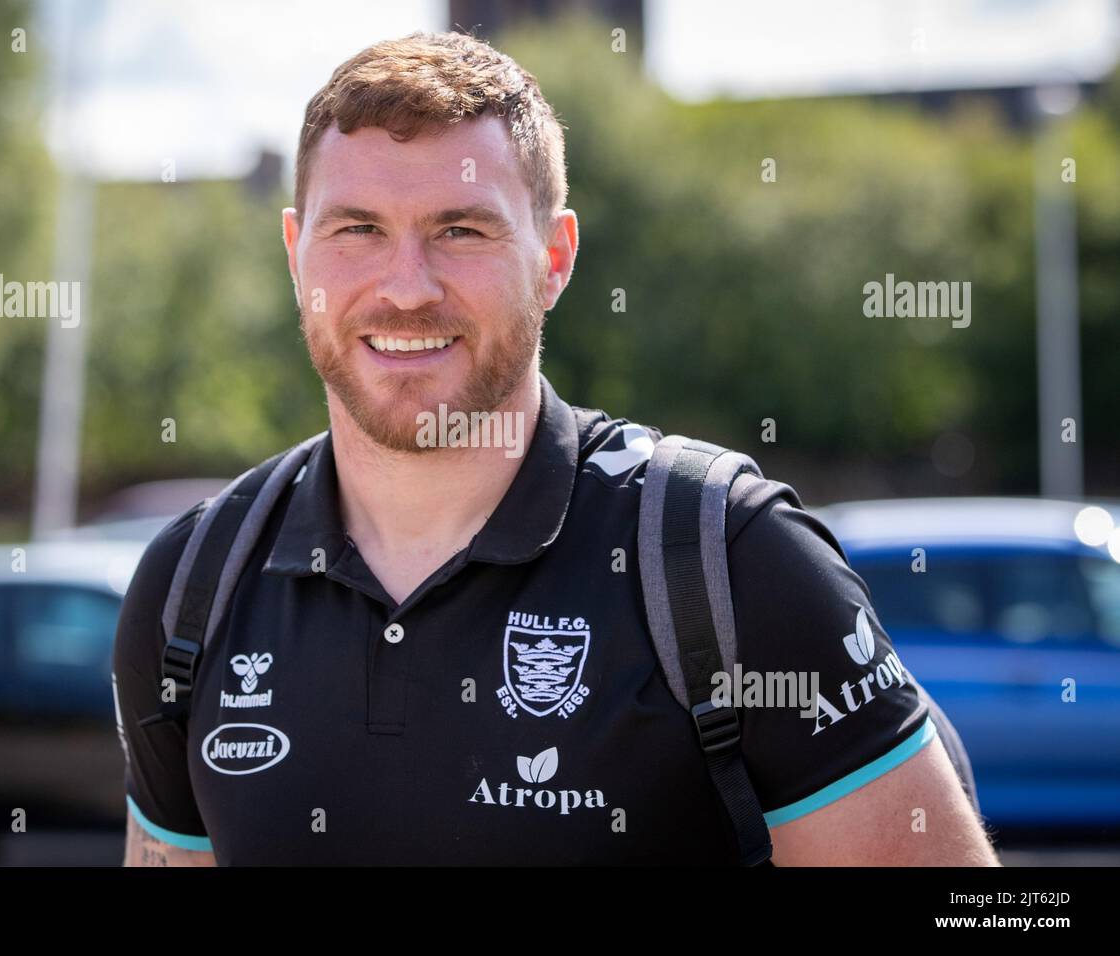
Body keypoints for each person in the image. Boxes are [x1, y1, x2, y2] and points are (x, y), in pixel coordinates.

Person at [113, 30, 999, 866]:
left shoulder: (729, 563)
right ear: (294, 253)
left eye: (462, 229)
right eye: (357, 230)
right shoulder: (189, 587)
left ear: (555, 257)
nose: (407, 288)